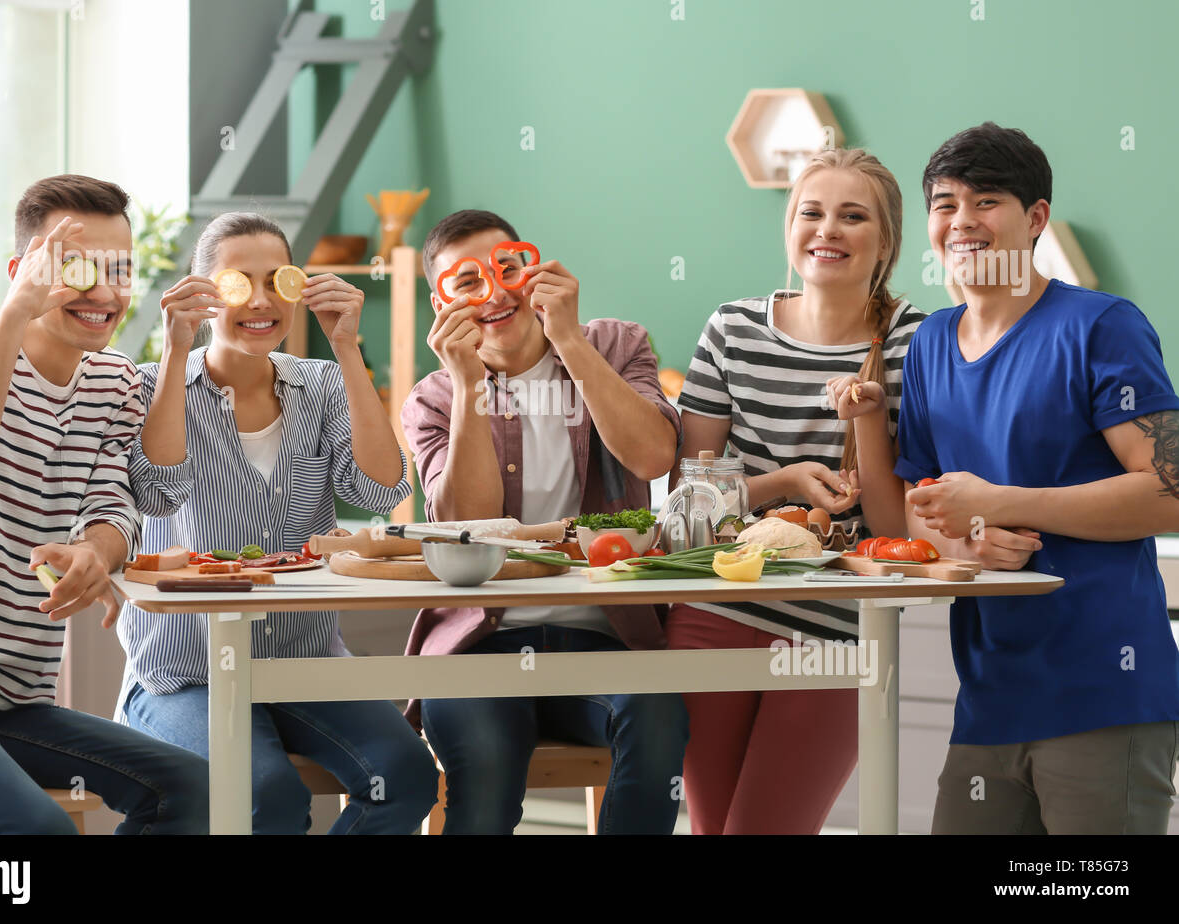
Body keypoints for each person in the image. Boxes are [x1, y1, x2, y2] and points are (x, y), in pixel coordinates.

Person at [0, 174, 209, 833]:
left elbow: (116, 509)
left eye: (120, 270)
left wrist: (95, 552)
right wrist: (16, 313)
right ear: (22, 271)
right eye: (77, 268)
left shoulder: (114, 381)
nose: (105, 293)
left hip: (13, 698)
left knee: (193, 790)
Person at [895, 122, 1179, 834]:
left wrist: (999, 503)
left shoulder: (1101, 326)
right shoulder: (930, 343)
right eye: (944, 202)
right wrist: (961, 548)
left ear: (1037, 218)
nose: (962, 221)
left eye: (987, 200)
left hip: (1104, 693)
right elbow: (919, 509)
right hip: (988, 699)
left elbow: (1172, 489)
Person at [116, 211, 437, 834]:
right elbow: (156, 492)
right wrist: (177, 350)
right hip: (185, 674)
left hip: (305, 660)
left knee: (406, 775)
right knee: (268, 796)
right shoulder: (151, 387)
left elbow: (382, 487)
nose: (260, 301)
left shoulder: (321, 383)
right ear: (201, 291)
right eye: (239, 282)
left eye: (276, 280)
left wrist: (347, 347)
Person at [401, 209, 688, 834]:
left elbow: (654, 455)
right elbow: (465, 526)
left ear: (534, 268)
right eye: (469, 282)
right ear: (442, 304)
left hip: (605, 640)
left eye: (508, 268)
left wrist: (570, 341)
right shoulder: (434, 397)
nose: (495, 293)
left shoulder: (616, 343)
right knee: (485, 780)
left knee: (659, 706)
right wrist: (469, 381)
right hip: (480, 648)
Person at [672, 149, 926, 833]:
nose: (829, 230)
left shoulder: (917, 343)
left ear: (887, 241)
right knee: (710, 828)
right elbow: (687, 500)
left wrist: (869, 417)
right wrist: (779, 483)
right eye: (811, 212)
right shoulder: (734, 329)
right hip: (715, 610)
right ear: (789, 227)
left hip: (841, 626)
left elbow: (897, 524)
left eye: (853, 216)